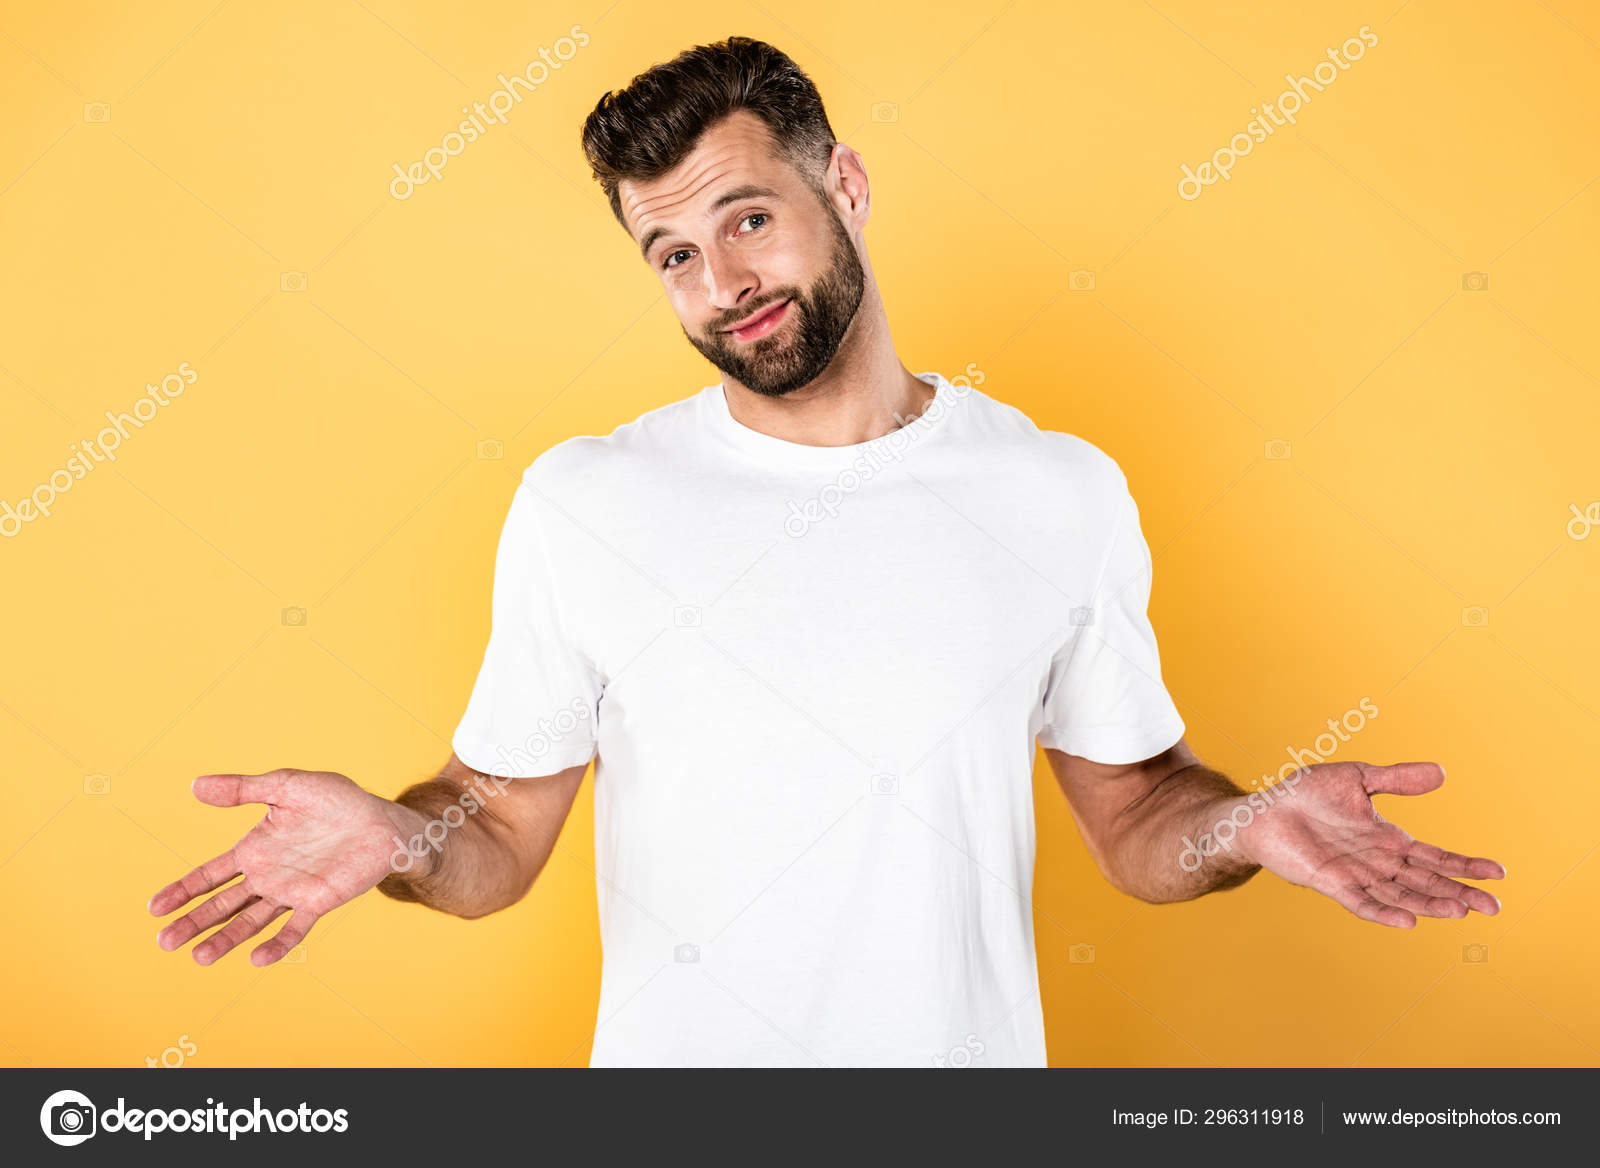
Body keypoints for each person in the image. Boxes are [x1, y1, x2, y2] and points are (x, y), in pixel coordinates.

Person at [148, 37, 1504, 1068]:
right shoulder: (585, 502)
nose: (720, 284)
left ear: (843, 183)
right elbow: (493, 829)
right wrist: (396, 836)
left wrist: (1246, 826)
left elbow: (1144, 817)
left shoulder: (1057, 491)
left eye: (746, 217)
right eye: (670, 251)